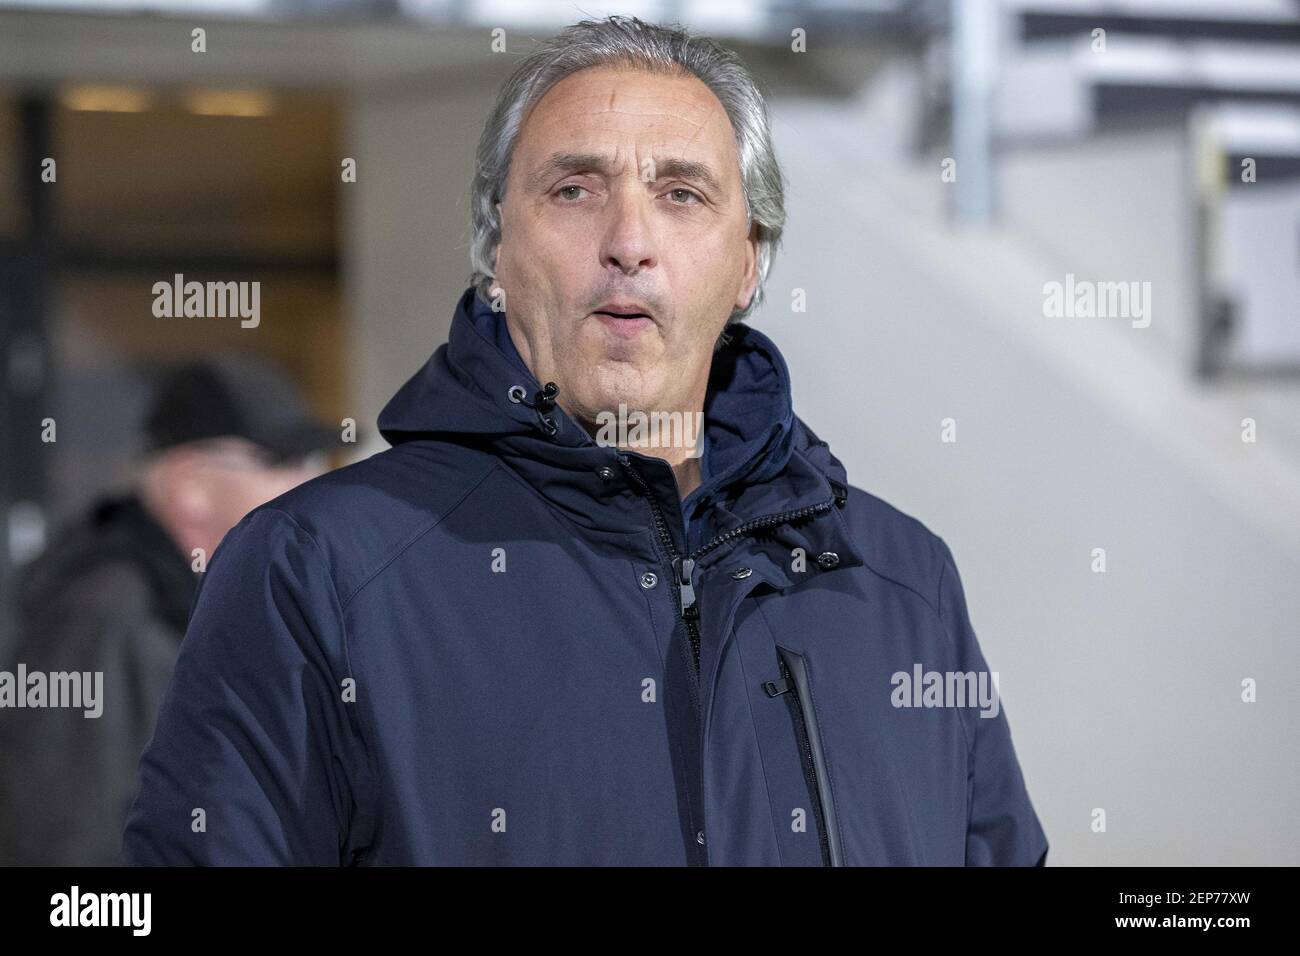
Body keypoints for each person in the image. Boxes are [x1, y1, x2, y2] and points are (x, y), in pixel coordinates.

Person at [123, 16, 1048, 866]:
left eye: (682, 194)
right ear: (493, 252)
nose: (629, 241)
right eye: (575, 189)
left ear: (750, 262)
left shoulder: (902, 583)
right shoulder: (317, 571)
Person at [0, 354, 334, 865]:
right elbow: (66, 848)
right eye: (282, 462)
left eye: (313, 464)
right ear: (190, 485)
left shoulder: (194, 595)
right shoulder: (108, 614)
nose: (313, 484)